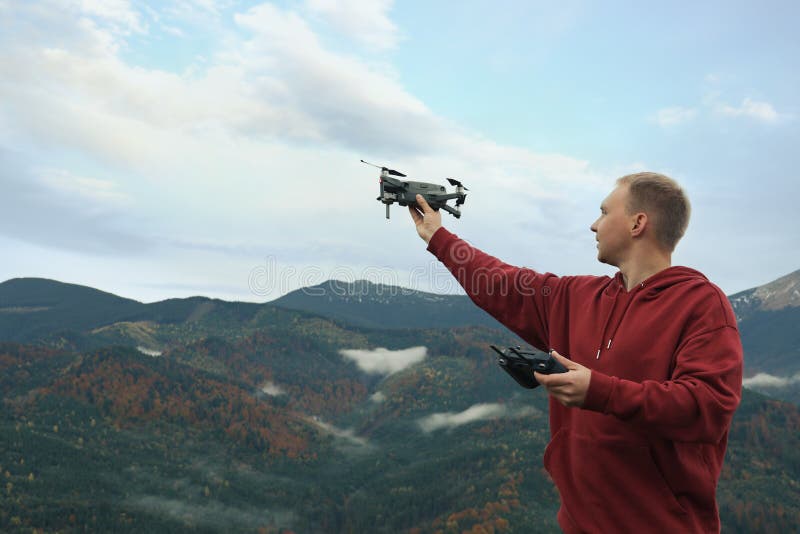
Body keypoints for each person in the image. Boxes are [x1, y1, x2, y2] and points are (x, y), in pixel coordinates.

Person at [409, 172, 743, 533]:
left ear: (637, 223)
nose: (593, 225)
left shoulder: (702, 305)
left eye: (603, 212)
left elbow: (708, 407)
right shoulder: (577, 296)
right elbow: (501, 282)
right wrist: (439, 237)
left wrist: (601, 392)